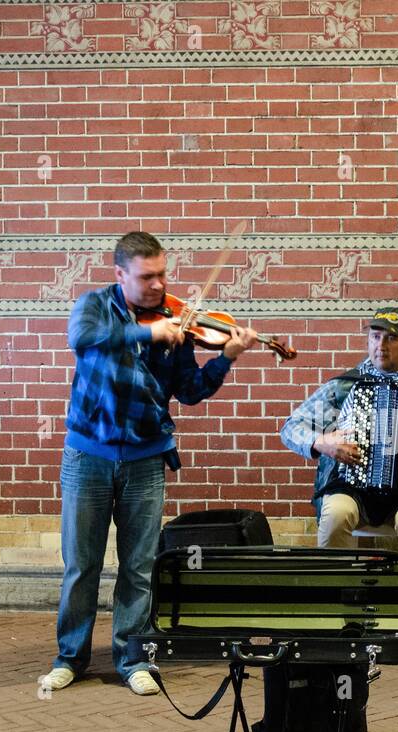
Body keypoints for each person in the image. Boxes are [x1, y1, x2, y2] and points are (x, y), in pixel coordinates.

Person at [39, 231, 258, 694]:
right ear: (121, 275)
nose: (159, 284)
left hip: (145, 458)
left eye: (162, 274)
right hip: (88, 456)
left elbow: (192, 391)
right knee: (82, 564)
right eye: (147, 277)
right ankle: (70, 657)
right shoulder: (95, 307)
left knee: (139, 566)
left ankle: (134, 657)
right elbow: (83, 340)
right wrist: (146, 331)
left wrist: (228, 358)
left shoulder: (177, 323)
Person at [280, 308, 398, 656]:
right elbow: (291, 428)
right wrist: (323, 443)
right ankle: (339, 612)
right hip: (351, 485)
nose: (381, 345)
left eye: (391, 337)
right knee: (335, 515)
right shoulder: (344, 387)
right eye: (375, 336)